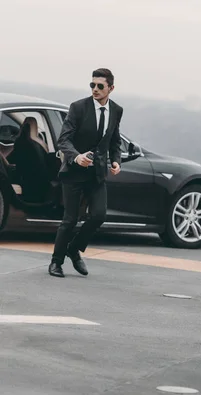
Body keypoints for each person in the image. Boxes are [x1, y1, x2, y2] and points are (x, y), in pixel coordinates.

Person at [48, 68, 123, 278]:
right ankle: (56, 262)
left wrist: (116, 160)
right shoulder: (78, 107)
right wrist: (76, 156)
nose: (95, 89)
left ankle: (74, 249)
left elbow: (114, 140)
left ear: (111, 88)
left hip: (97, 174)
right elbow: (63, 139)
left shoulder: (116, 110)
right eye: (92, 85)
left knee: (99, 215)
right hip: (74, 173)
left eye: (100, 86)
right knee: (70, 220)